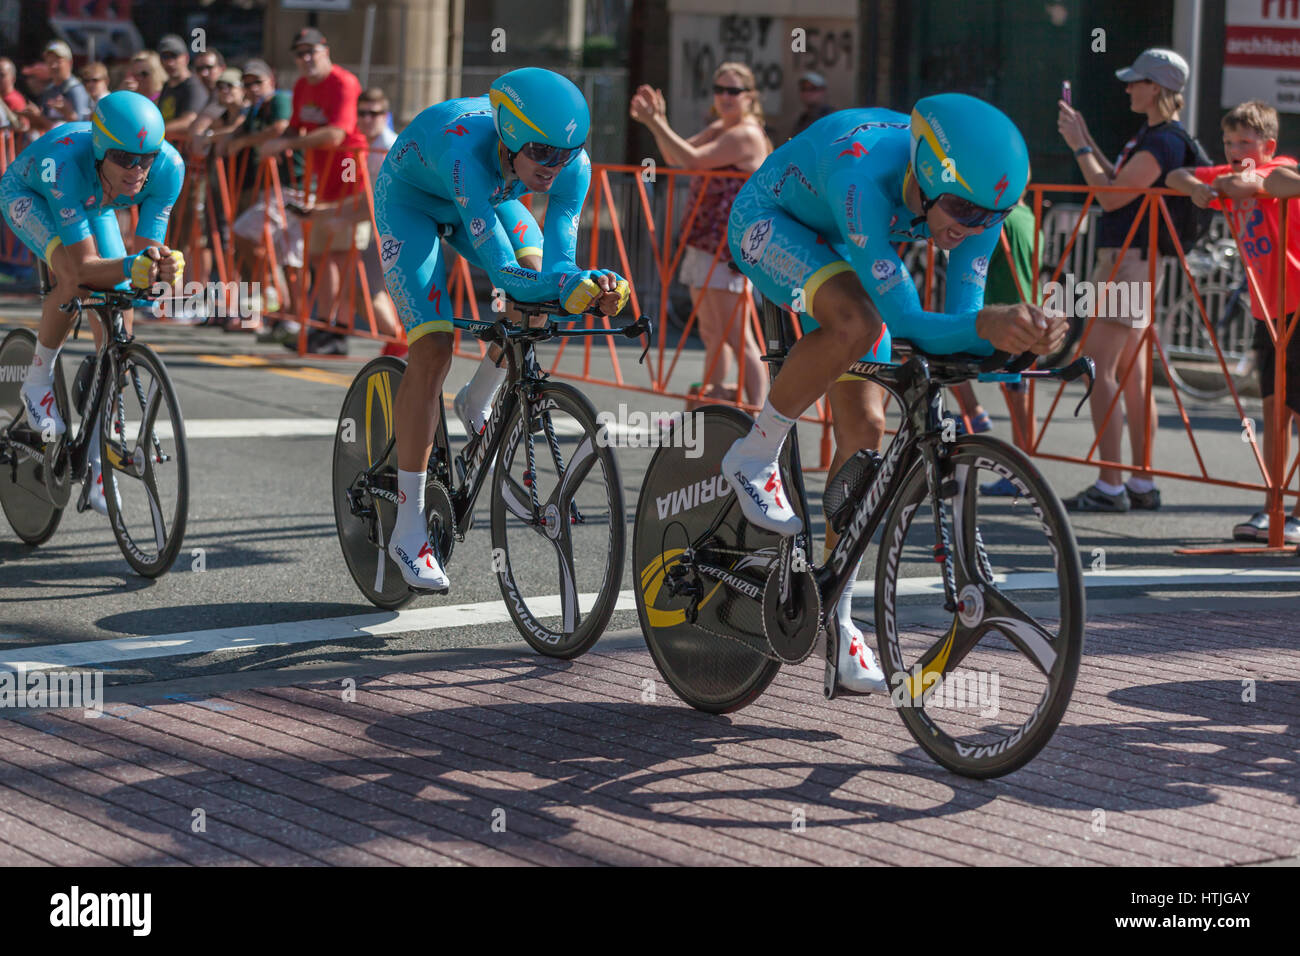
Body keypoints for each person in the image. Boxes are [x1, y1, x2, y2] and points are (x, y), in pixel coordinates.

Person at [722, 93, 1065, 694]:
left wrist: (1028, 339)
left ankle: (838, 621)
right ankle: (753, 452)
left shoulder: (977, 205)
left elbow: (960, 331)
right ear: (929, 176)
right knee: (857, 322)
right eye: (961, 209)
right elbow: (905, 322)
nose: (972, 226)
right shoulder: (866, 176)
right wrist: (987, 326)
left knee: (866, 429)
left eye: (990, 217)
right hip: (773, 221)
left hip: (845, 253)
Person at [373, 67, 630, 590]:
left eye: (567, 153)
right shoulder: (467, 151)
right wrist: (566, 286)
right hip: (413, 201)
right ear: (510, 134)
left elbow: (556, 267)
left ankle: (477, 399)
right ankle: (407, 526)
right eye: (543, 153)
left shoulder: (566, 166)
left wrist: (592, 283)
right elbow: (504, 272)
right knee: (434, 345)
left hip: (493, 196)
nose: (555, 168)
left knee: (536, 302)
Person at [0, 91, 185, 514]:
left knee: (123, 298)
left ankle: (99, 456)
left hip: (94, 199)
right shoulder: (66, 164)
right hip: (34, 194)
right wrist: (130, 266)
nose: (138, 170)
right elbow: (85, 267)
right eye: (125, 158)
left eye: (146, 158)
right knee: (74, 277)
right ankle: (37, 379)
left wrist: (163, 266)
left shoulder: (168, 168)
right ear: (102, 149)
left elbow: (146, 256)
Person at [1056, 47, 1199, 513]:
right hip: (1133, 261)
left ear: (1156, 88)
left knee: (1096, 366)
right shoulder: (1158, 136)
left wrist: (1079, 143)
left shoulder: (1163, 140)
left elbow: (1113, 196)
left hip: (1129, 263)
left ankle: (1112, 484)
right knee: (1133, 377)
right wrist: (1085, 138)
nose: (1128, 87)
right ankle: (1138, 482)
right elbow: (1119, 181)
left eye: (1136, 81)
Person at [1170, 102, 1300, 542]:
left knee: (1296, 410)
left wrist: (1224, 183)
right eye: (1228, 142)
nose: (1234, 149)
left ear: (1268, 146)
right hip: (1269, 309)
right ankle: (1273, 505)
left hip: (1298, 305)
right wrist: (1195, 188)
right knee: (1272, 411)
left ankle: (1295, 511)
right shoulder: (1231, 173)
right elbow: (1174, 176)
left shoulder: (1278, 168)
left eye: (1245, 142)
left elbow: (1258, 181)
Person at [630, 62, 769, 409]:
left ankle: (764, 418)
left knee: (738, 337)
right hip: (705, 242)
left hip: (727, 247)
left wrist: (655, 122)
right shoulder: (722, 128)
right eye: (719, 89)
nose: (724, 96)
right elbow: (677, 157)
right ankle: (716, 400)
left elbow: (692, 159)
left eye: (733, 91)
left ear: (750, 96)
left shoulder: (746, 134)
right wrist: (657, 123)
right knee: (712, 334)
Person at [259, 28, 368, 355]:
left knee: (341, 259)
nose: (306, 59)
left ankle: (338, 330)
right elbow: (295, 124)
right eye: (300, 53)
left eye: (312, 52)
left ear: (326, 50)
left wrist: (288, 143)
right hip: (323, 183)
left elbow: (336, 134)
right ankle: (323, 326)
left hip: (350, 176)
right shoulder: (304, 86)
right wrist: (273, 140)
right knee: (322, 258)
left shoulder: (343, 82)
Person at [20, 41, 92, 134]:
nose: (53, 66)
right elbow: (45, 122)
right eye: (49, 62)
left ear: (69, 63)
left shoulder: (76, 90)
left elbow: (81, 128)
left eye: (58, 61)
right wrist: (34, 117)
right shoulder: (49, 90)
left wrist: (68, 114)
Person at [156, 34, 208, 137]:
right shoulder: (167, 86)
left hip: (184, 151)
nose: (170, 62)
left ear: (186, 58)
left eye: (174, 56)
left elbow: (189, 121)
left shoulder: (193, 86)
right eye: (165, 57)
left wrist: (154, 131)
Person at [789, 71, 834, 141]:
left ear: (823, 91)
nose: (807, 93)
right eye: (804, 89)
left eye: (813, 89)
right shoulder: (802, 120)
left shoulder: (831, 118)